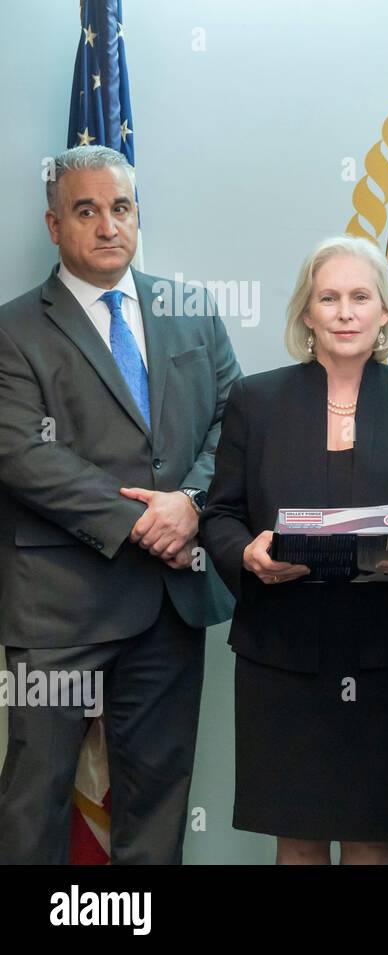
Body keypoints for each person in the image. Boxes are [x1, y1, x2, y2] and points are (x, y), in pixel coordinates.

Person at [0, 145, 240, 864]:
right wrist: (141, 518)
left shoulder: (190, 311)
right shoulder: (13, 331)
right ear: (53, 224)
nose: (108, 226)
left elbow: (234, 421)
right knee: (34, 795)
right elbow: (19, 453)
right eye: (86, 210)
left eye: (122, 208)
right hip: (59, 607)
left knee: (158, 800)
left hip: (169, 601)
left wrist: (191, 502)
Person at [200, 235, 388, 864]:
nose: (345, 312)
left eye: (360, 297)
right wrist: (249, 555)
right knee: (299, 835)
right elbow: (221, 515)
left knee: (373, 837)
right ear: (306, 314)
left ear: (383, 314)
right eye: (329, 298)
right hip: (284, 653)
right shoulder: (256, 400)